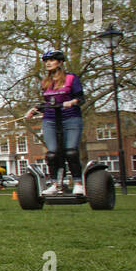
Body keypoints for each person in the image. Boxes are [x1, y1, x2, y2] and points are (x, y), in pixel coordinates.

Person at [24, 49, 84, 196]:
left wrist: (72, 102)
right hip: (50, 120)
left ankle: (78, 183)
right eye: (46, 61)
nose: (48, 63)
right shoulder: (46, 82)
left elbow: (81, 98)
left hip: (70, 118)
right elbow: (48, 102)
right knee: (52, 154)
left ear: (60, 62)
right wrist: (35, 109)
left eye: (52, 60)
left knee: (70, 151)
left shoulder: (71, 78)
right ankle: (56, 184)